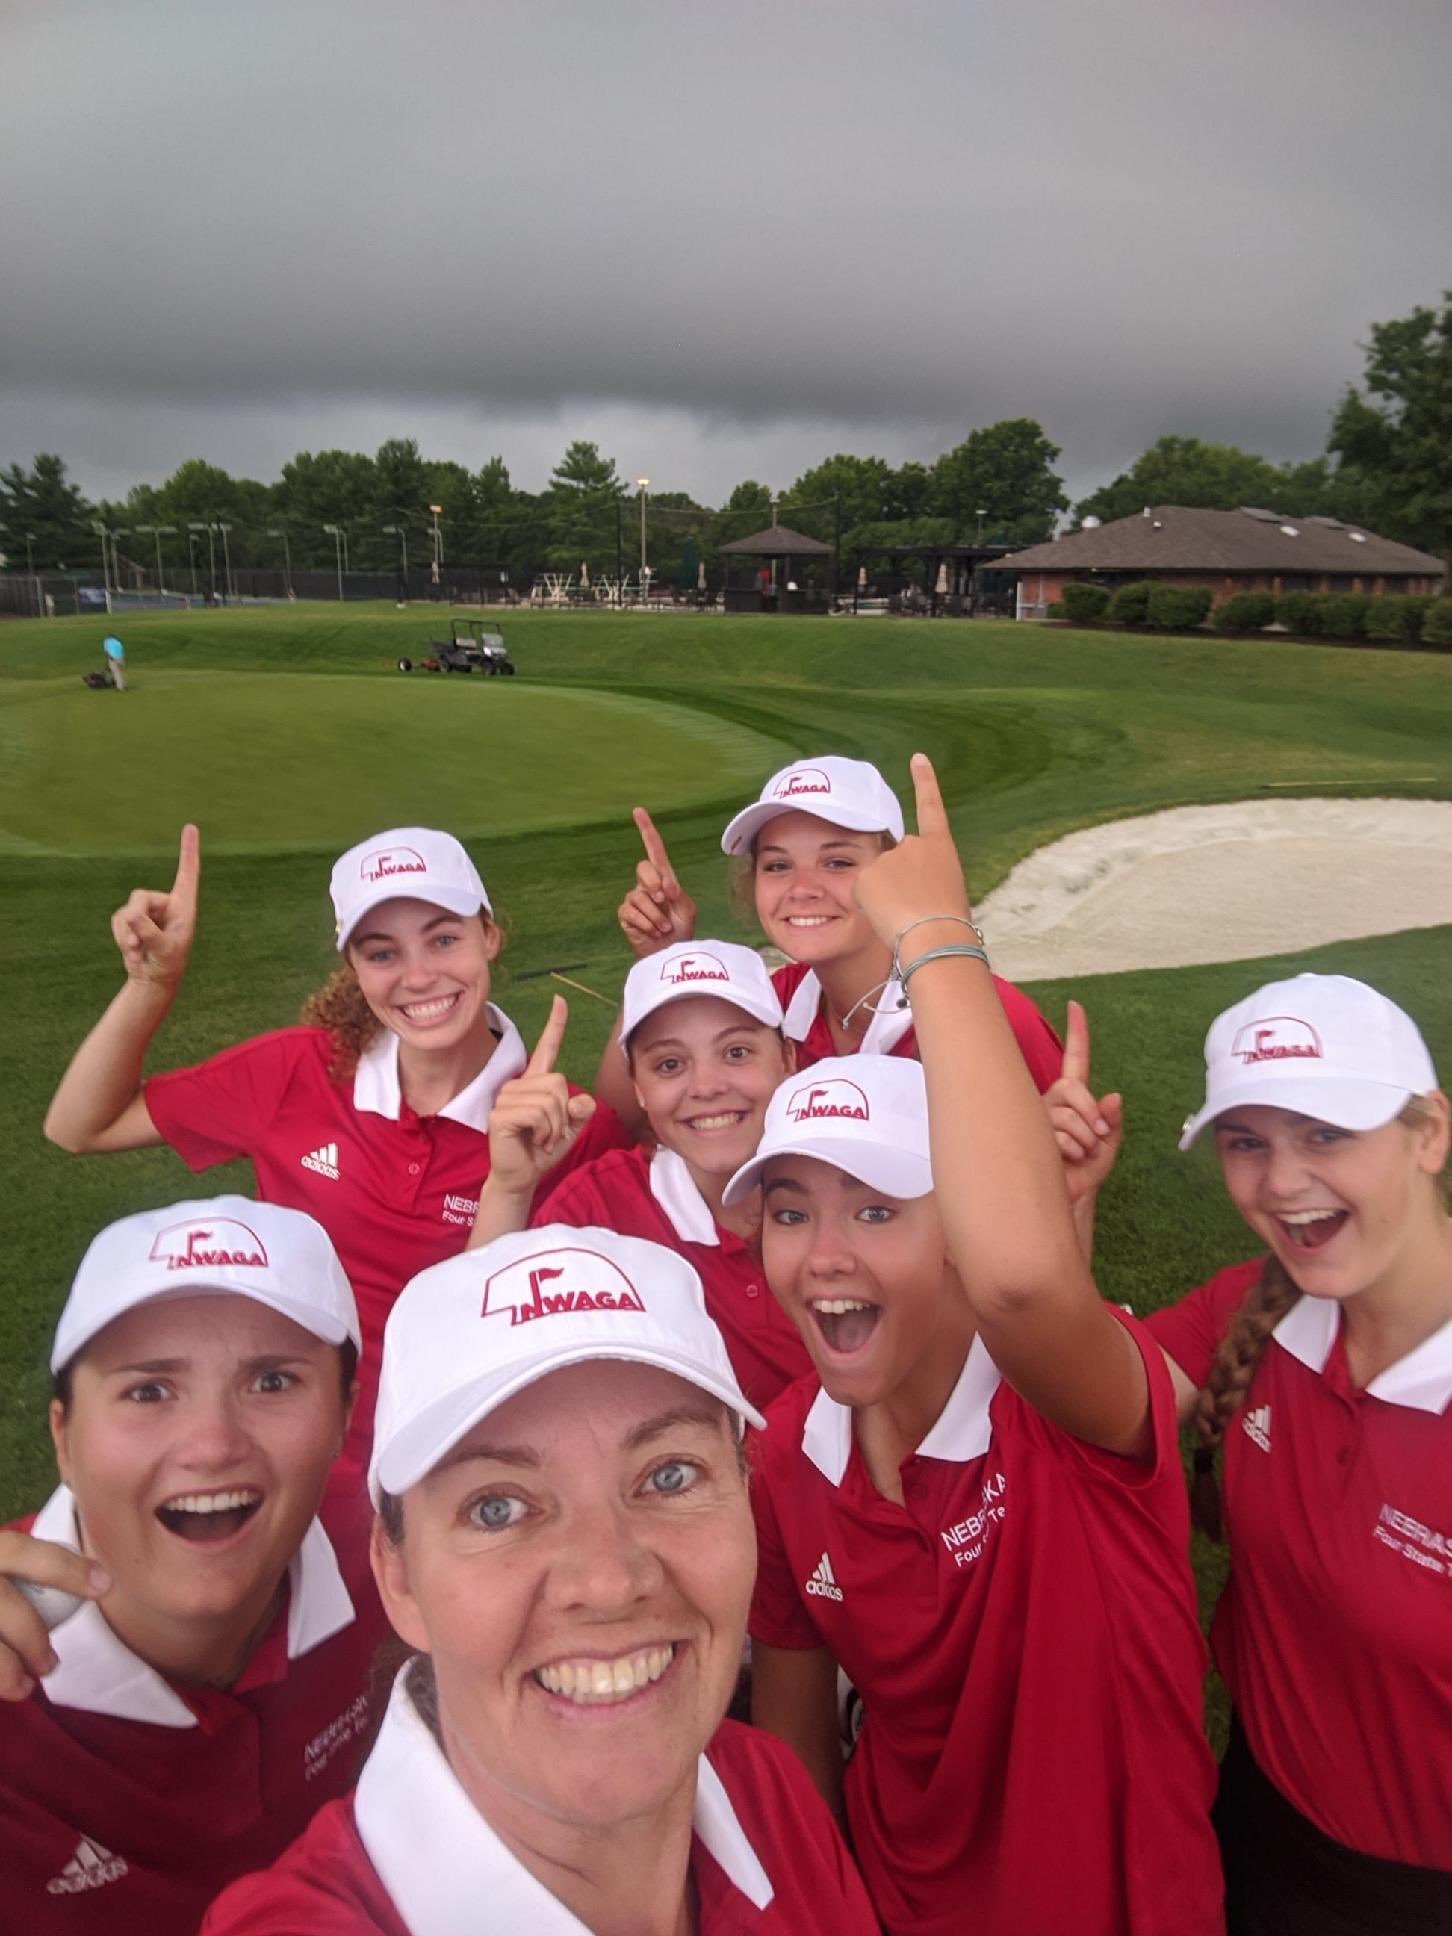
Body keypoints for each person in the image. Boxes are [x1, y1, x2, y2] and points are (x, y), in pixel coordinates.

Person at [736, 755, 1222, 1936]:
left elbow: (1025, 1280)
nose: (824, 1253)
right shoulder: (789, 1452)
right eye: (791, 1211)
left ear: (960, 1224)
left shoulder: (1072, 1408)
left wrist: (939, 935)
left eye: (877, 1208)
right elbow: (795, 1743)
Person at [200, 1226, 881, 1934]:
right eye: (497, 1509)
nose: (609, 1582)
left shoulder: (764, 1791)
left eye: (670, 1476)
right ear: (397, 1576)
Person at [43, 825, 623, 1488]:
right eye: (382, 953)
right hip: (281, 1465)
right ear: (353, 966)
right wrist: (151, 985)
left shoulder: (565, 1126)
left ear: (488, 935)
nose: (418, 976)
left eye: (443, 939)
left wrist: (510, 1186)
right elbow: (81, 1126)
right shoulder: (296, 1071)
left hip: (454, 1472)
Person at [1056, 973, 1452, 1934]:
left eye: (1325, 1133)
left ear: (1430, 1133)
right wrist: (1060, 1209)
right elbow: (1080, 1409)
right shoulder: (1252, 1306)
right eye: (1247, 1142)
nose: (1279, 1181)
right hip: (1255, 1821)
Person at [0, 1196, 384, 1934]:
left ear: (344, 1416)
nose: (212, 1445)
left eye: (272, 1382)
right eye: (148, 1391)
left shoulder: (392, 1558)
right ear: (64, 1439)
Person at [604, 755, 1061, 1123]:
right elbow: (627, 1124)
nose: (802, 889)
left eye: (837, 862)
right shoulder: (773, 1002)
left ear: (895, 872)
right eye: (778, 866)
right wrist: (660, 963)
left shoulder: (992, 1017)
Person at [469, 939, 813, 1409]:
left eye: (736, 1052)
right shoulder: (598, 1210)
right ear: (638, 1087)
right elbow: (480, 1358)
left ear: (788, 1059)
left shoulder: (845, 1182)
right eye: (670, 1064)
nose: (707, 1086)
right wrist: (509, 1189)